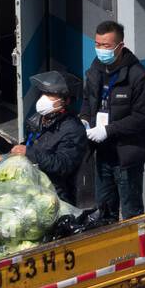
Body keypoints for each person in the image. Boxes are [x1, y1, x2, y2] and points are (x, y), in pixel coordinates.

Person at [78, 20, 145, 220]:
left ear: (120, 47)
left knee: (131, 213)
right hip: (102, 152)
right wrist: (85, 120)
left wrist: (108, 130)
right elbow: (88, 100)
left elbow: (142, 118)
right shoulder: (95, 69)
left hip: (126, 156)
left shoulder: (139, 76)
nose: (100, 50)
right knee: (104, 210)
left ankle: (138, 252)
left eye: (106, 46)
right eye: (97, 44)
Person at [8, 71, 86, 204]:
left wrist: (30, 153)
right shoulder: (40, 118)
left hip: (55, 197)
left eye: (50, 95)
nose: (44, 98)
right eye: (43, 93)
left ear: (65, 101)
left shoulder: (73, 129)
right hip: (31, 188)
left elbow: (63, 165)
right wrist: (3, 148)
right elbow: (27, 145)